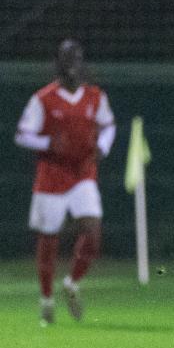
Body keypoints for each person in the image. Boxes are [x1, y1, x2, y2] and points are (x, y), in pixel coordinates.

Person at [14, 39, 115, 325]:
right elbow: (22, 135)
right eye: (67, 59)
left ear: (83, 63)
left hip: (83, 174)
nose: (72, 64)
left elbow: (108, 125)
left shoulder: (95, 96)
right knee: (49, 240)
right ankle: (46, 299)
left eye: (77, 58)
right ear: (58, 64)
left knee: (92, 233)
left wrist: (103, 146)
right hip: (51, 178)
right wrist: (48, 142)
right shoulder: (43, 99)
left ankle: (72, 282)